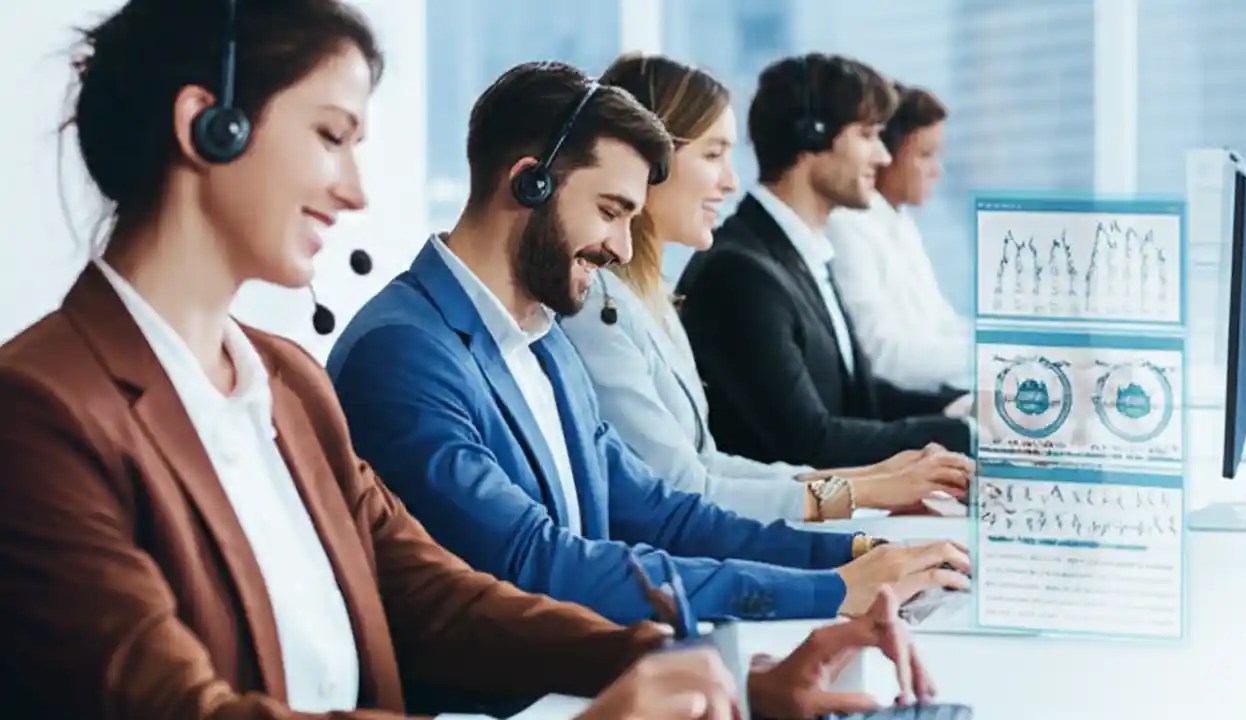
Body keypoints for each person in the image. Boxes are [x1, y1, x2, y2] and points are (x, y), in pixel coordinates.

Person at [0, 2, 938, 717]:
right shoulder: (39, 413)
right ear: (210, 127)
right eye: (331, 137)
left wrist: (710, 674)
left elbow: (437, 600)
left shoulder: (286, 383)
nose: (355, 190)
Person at [327, 60, 970, 628]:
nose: (622, 248)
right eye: (610, 212)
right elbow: (539, 562)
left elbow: (666, 515)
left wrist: (853, 553)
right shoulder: (404, 354)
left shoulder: (544, 340)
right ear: (530, 184)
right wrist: (827, 590)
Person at [559, 53, 973, 524]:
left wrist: (873, 482)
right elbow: (692, 489)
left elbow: (709, 465)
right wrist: (867, 491)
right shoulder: (611, 305)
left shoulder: (655, 298)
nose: (731, 181)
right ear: (648, 163)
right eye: (713, 155)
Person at [676, 54, 974, 470]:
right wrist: (962, 435)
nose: (883, 157)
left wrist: (963, 410)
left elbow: (857, 398)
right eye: (867, 135)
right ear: (811, 137)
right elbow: (808, 440)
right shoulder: (740, 273)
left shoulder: (804, 253)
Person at [826, 82, 971, 393]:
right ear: (886, 155)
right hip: (898, 407)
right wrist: (992, 355)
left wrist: (1009, 349)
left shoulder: (899, 222)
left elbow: (941, 324)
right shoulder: (846, 227)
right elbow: (880, 355)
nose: (937, 171)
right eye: (925, 155)